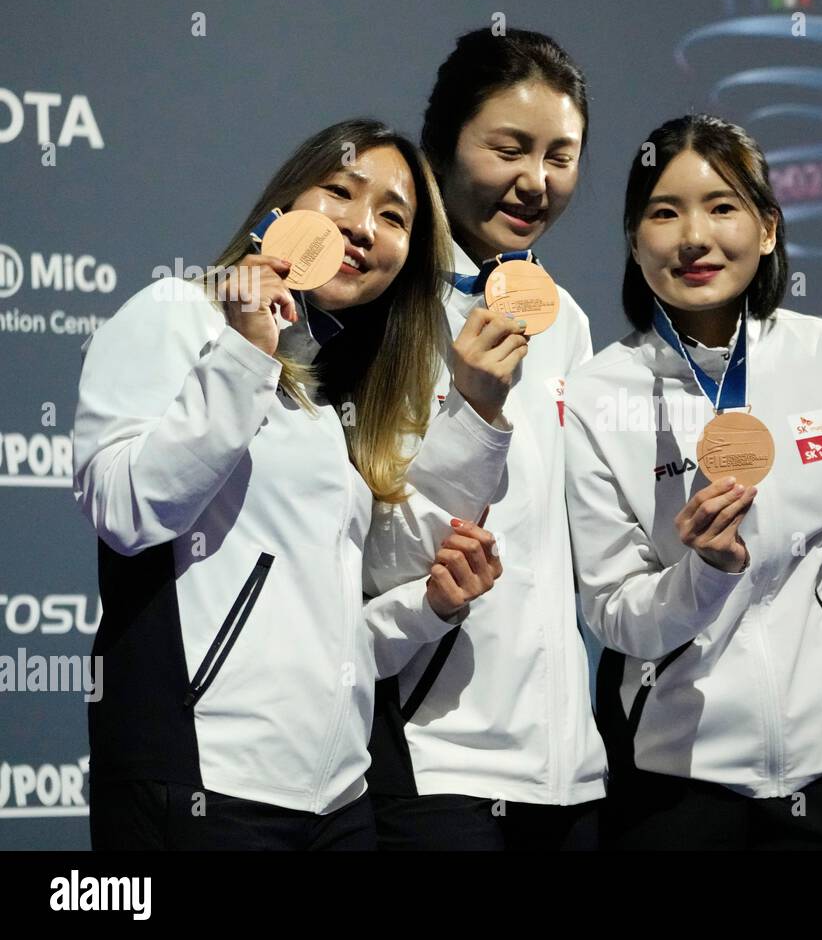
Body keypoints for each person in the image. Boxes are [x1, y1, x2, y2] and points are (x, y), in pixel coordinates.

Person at [73, 119, 501, 850]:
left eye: (394, 217)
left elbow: (330, 639)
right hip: (206, 786)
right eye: (341, 191)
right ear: (282, 205)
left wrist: (427, 609)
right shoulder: (177, 313)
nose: (363, 226)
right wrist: (242, 353)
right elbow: (127, 509)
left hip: (338, 800)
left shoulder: (324, 398)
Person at [563, 113, 822, 850]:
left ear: (768, 228)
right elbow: (611, 614)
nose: (694, 237)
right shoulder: (594, 394)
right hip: (677, 779)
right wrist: (703, 575)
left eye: (722, 207)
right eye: (664, 212)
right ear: (634, 241)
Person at [364, 27, 606, 850]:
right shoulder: (378, 309)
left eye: (561, 156)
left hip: (568, 770)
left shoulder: (567, 322)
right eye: (509, 148)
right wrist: (471, 410)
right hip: (434, 765)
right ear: (441, 146)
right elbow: (360, 557)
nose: (535, 181)